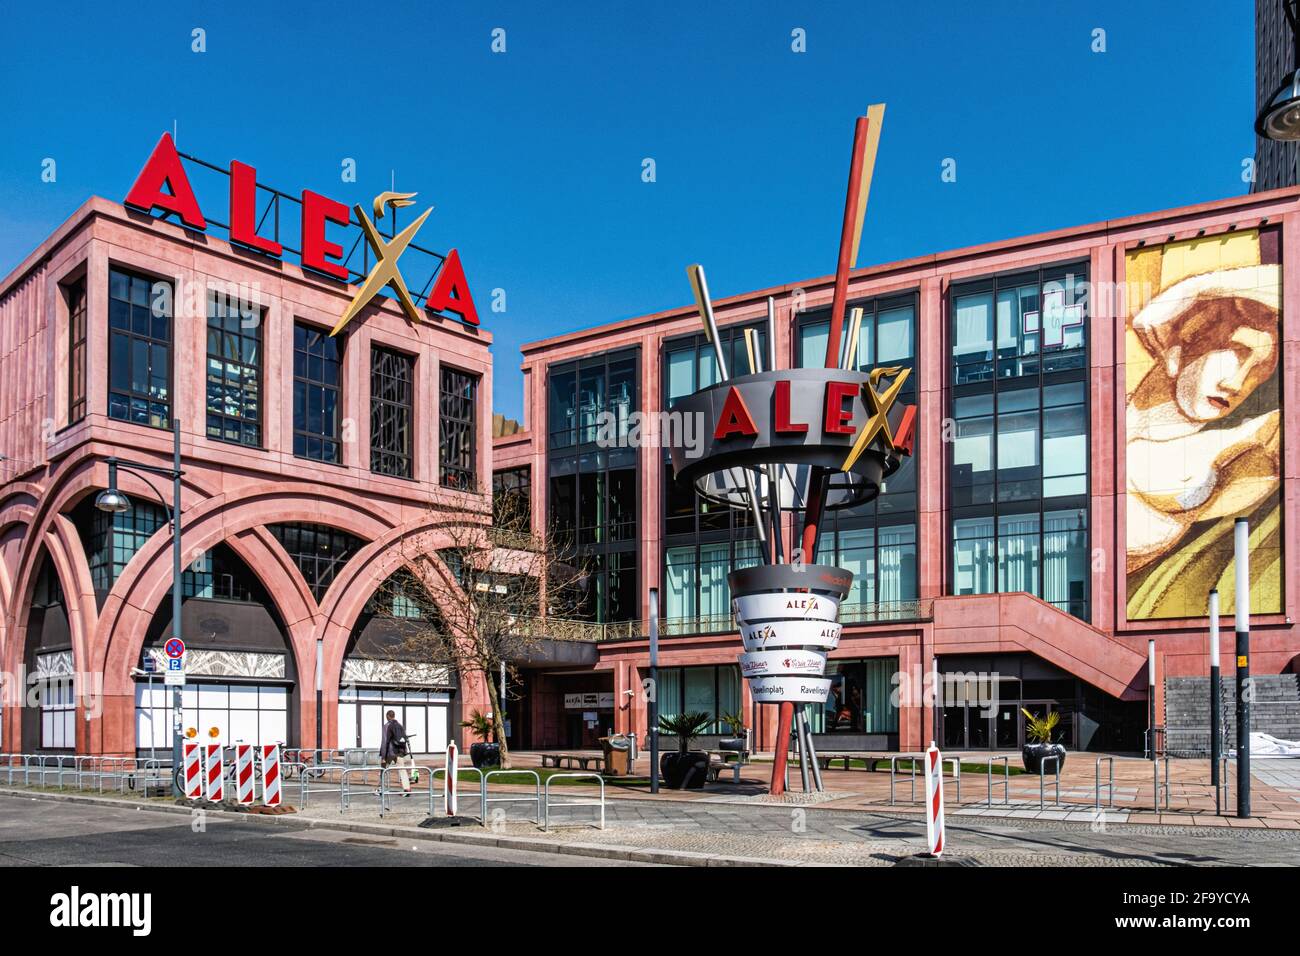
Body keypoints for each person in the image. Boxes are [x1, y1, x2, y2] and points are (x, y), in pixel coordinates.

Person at [380, 709, 413, 796]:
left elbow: (384, 741)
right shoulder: (400, 725)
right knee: (402, 769)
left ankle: (381, 788)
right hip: (399, 752)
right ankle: (407, 789)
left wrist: (383, 756)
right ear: (394, 716)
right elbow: (403, 739)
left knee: (383, 769)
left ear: (387, 716)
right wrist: (404, 750)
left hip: (390, 752)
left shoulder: (386, 726)